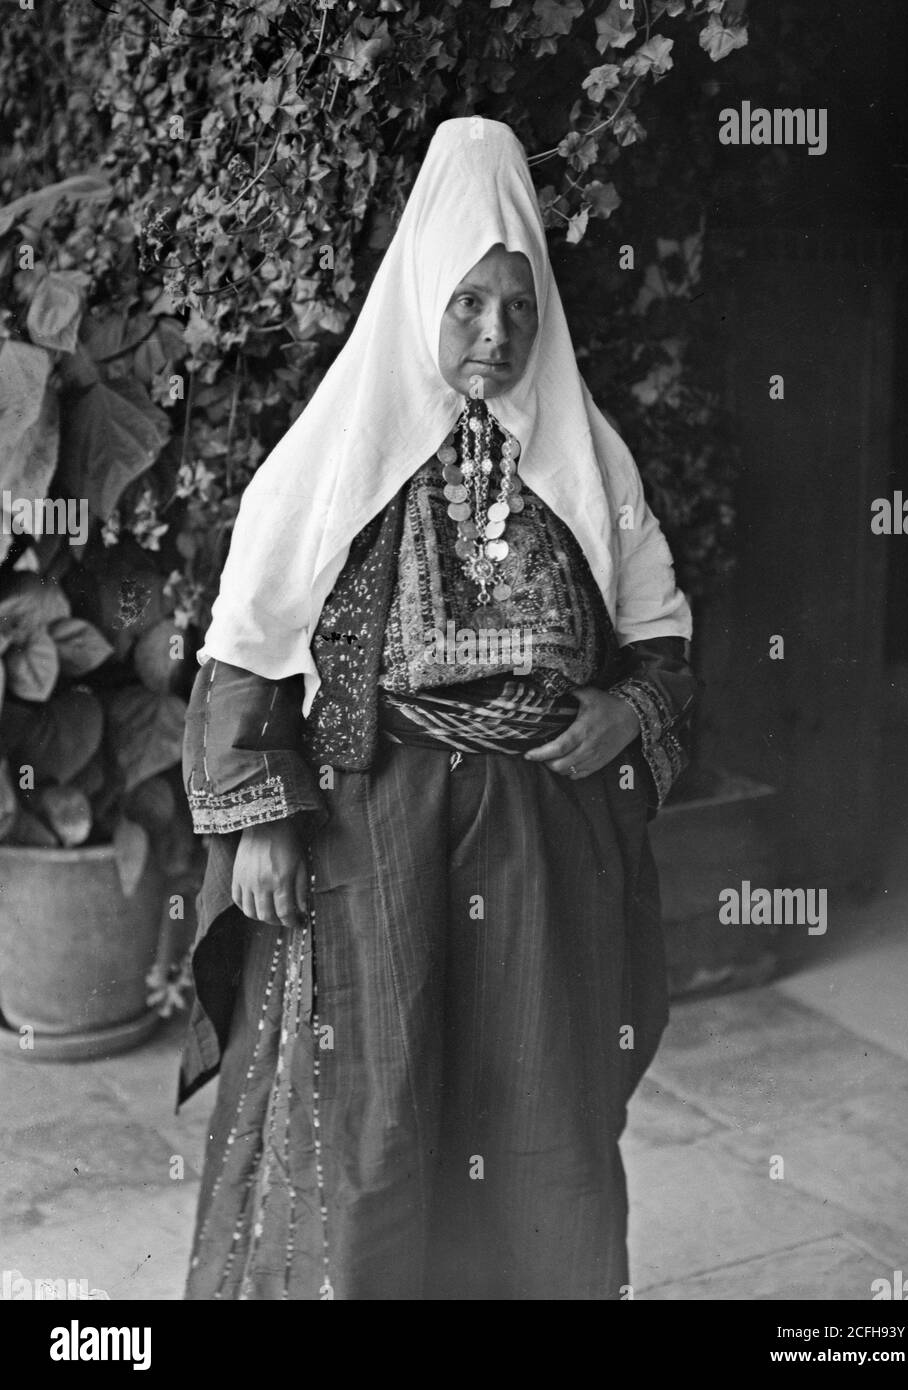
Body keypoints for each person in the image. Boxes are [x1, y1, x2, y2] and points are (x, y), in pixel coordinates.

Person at [178, 116, 699, 1301]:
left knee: (537, 1100)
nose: (495, 331)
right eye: (468, 302)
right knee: (376, 1108)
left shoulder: (584, 454)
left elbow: (663, 637)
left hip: (539, 829)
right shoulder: (338, 453)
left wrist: (627, 715)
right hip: (376, 822)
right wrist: (260, 817)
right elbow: (247, 639)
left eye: (517, 305)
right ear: (424, 292)